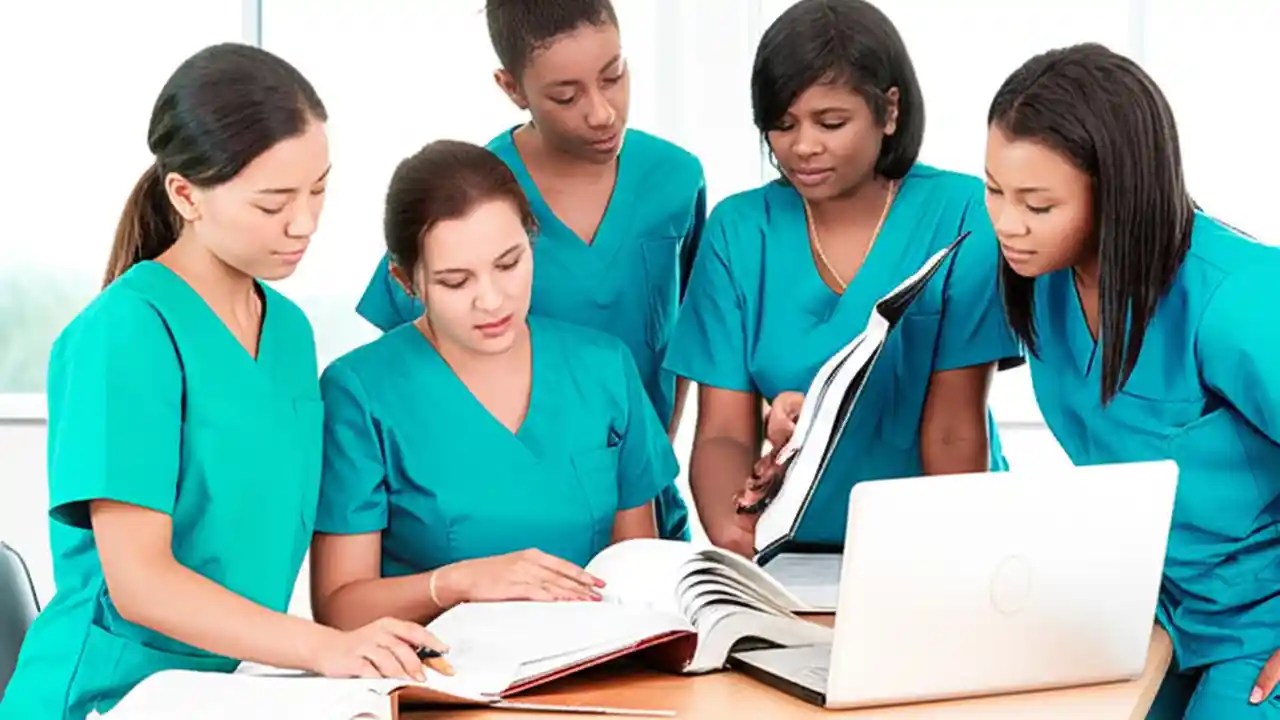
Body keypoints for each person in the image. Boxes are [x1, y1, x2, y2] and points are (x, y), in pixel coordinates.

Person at [0, 43, 445, 720]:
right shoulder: (126, 333)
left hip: (223, 691)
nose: (304, 223)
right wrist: (324, 647)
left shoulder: (289, 332)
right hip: (106, 699)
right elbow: (141, 584)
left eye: (319, 189)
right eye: (273, 203)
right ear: (185, 194)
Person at [983, 42, 1280, 720]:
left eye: (1037, 202)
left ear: (1117, 193)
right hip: (1150, 608)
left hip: (1260, 619)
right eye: (994, 188)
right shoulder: (1044, 277)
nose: (1006, 222)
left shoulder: (1235, 299)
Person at [664, 0, 1021, 556]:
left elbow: (954, 428)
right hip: (783, 549)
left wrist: (950, 563)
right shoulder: (738, 230)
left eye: (831, 123)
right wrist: (737, 539)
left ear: (890, 111)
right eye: (781, 125)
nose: (803, 147)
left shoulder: (961, 213)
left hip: (933, 540)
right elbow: (723, 434)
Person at [354, 0, 701, 543]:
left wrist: (644, 455)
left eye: (613, 77)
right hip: (485, 519)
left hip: (635, 501)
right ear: (512, 88)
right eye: (565, 95)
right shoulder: (476, 198)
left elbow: (686, 338)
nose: (601, 112)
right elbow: (406, 378)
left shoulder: (676, 179)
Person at [309, 140, 675, 629]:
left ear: (532, 238)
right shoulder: (361, 391)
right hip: (442, 679)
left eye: (508, 264)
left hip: (596, 666)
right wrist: (458, 583)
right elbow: (340, 607)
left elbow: (636, 575)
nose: (492, 300)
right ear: (405, 281)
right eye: (456, 282)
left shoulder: (604, 368)